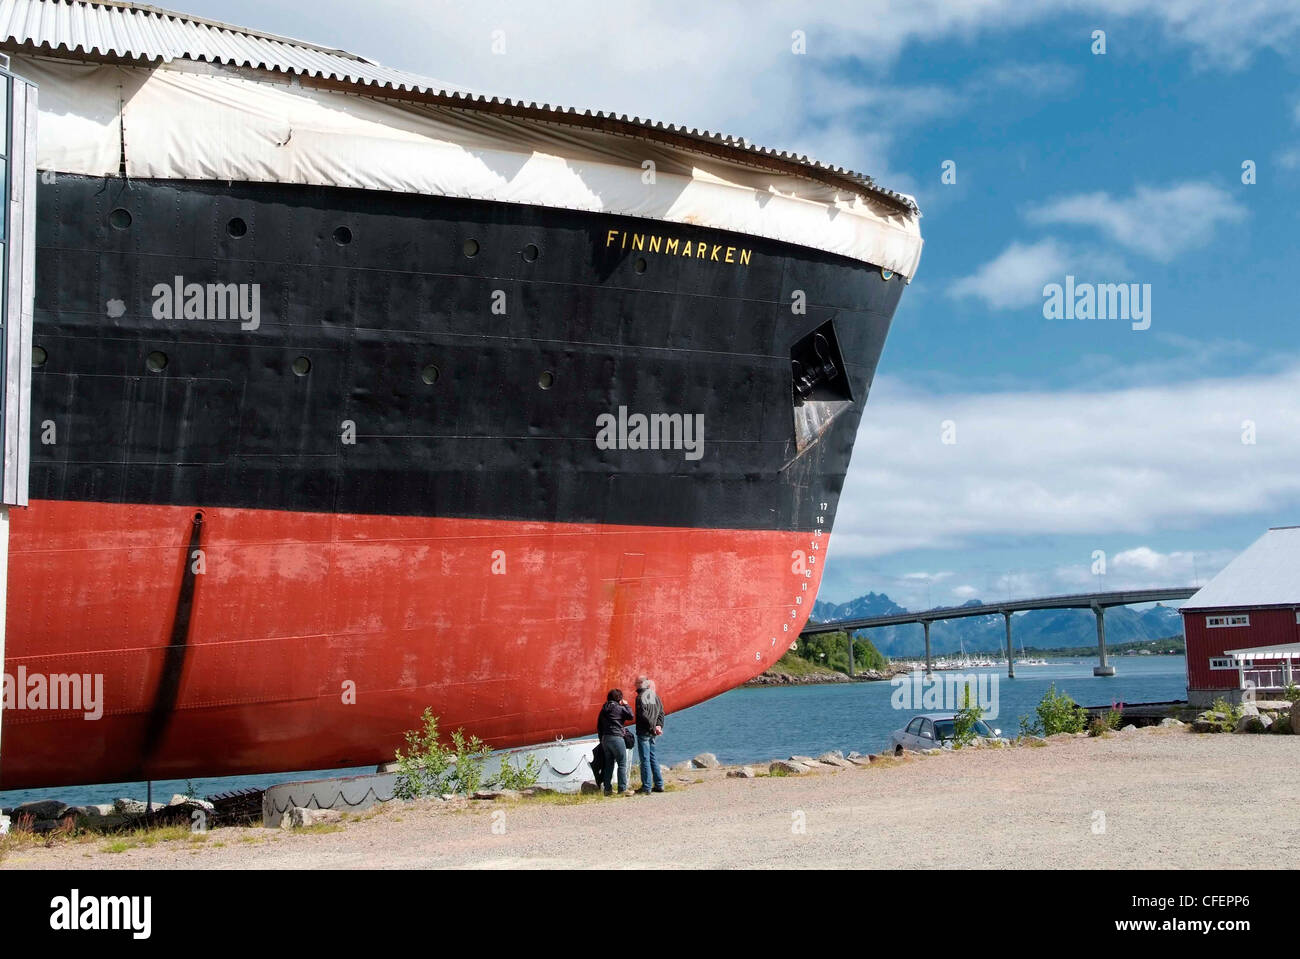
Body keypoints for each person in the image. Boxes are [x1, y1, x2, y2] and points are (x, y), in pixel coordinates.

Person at [596, 688, 634, 796]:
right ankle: (622, 789)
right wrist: (626, 705)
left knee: (609, 764)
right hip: (617, 737)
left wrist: (601, 739)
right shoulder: (619, 708)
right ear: (619, 698)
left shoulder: (603, 709)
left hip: (605, 739)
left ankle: (607, 789)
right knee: (622, 763)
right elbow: (631, 716)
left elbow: (599, 726)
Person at [634, 675, 666, 794]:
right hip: (652, 732)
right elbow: (660, 712)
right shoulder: (653, 696)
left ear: (641, 683)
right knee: (652, 757)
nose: (634, 685)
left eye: (636, 683)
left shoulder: (640, 697)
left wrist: (652, 727)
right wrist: (658, 726)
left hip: (644, 732)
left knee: (645, 759)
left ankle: (646, 787)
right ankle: (659, 784)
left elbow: (643, 715)